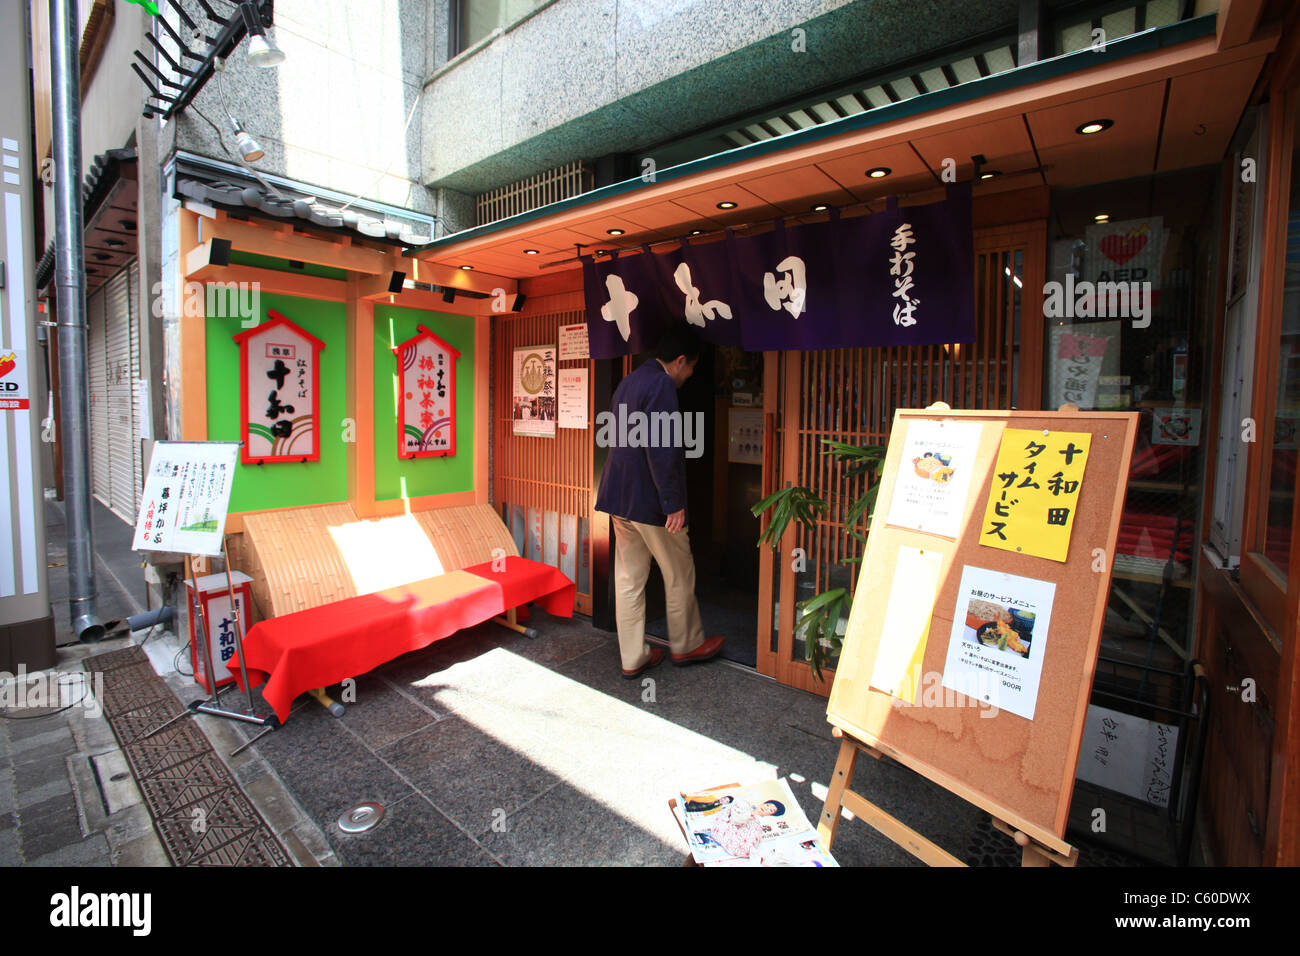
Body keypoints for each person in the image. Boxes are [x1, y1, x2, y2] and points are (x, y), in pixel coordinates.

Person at [595, 322, 725, 678]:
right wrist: (672, 502)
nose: (690, 375)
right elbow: (662, 447)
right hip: (650, 501)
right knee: (679, 571)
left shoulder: (629, 381)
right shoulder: (663, 384)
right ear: (680, 360)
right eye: (692, 367)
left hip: (618, 497)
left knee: (629, 579)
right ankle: (686, 645)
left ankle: (633, 656)